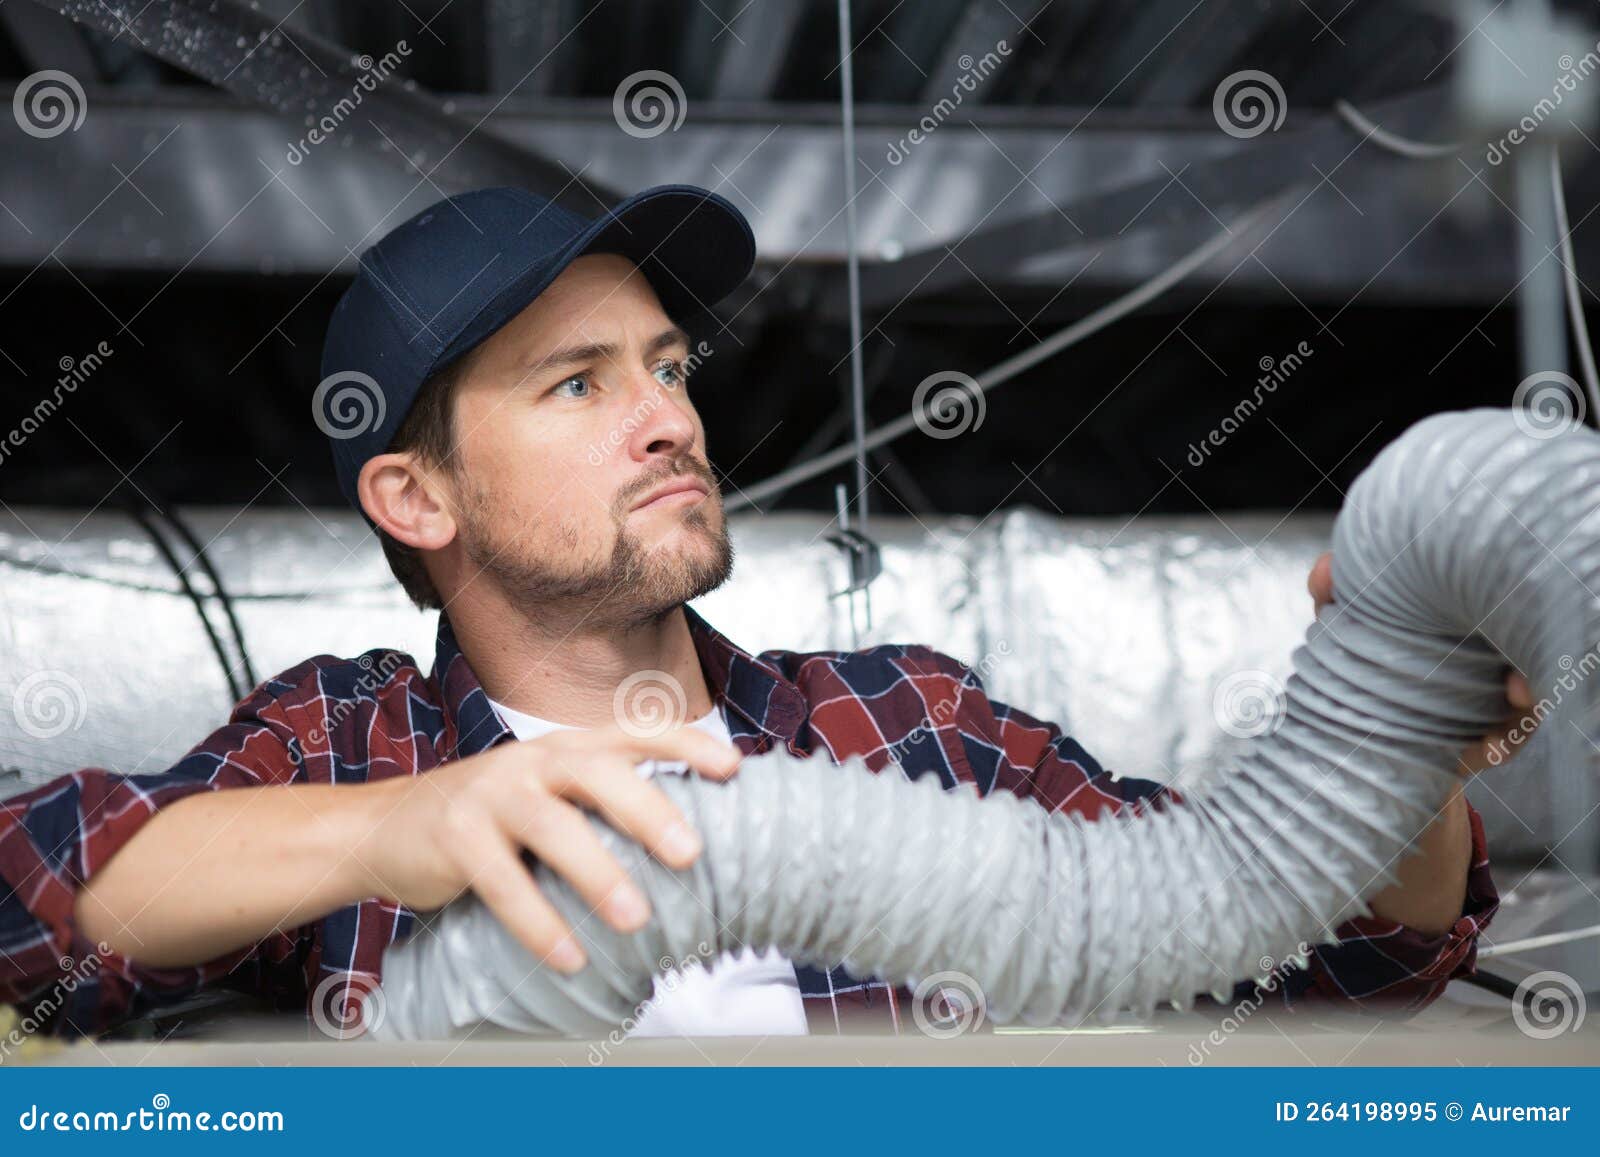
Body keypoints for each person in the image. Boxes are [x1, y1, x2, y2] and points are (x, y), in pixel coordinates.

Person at [0, 185, 1521, 1040]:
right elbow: (38, 906)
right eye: (578, 382)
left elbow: (1325, 951)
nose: (667, 417)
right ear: (418, 498)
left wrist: (1404, 745)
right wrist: (402, 827)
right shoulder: (346, 741)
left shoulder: (908, 724)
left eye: (667, 365)